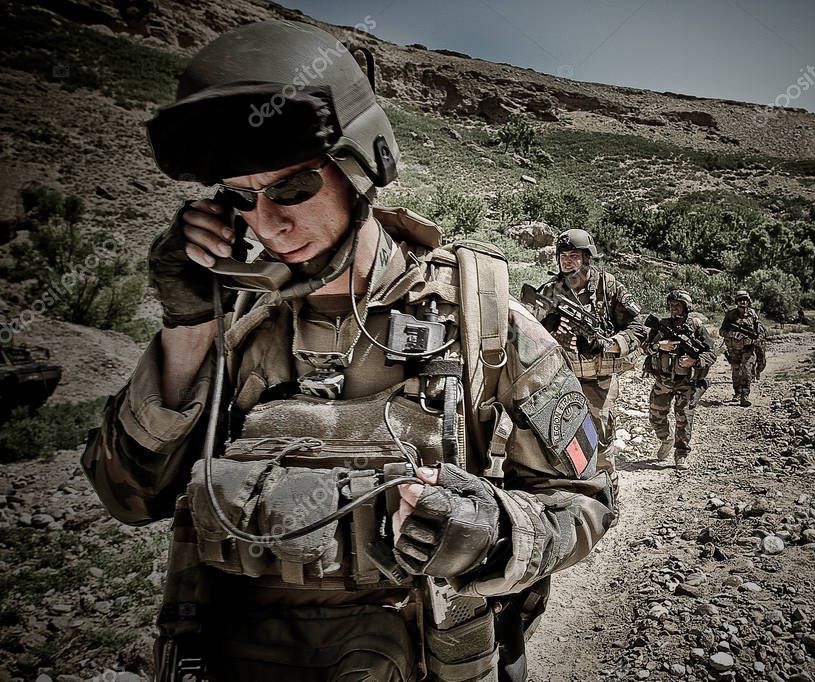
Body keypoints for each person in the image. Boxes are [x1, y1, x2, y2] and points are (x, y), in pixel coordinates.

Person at [80, 21, 614, 682]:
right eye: (240, 197)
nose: (267, 221)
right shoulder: (231, 320)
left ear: (361, 167)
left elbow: (585, 499)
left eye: (292, 188)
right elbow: (128, 497)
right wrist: (187, 325)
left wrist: (497, 529)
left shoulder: (480, 316)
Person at [526, 229, 645, 494]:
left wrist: (609, 344)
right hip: (561, 378)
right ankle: (570, 492)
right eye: (563, 256)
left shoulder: (607, 285)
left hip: (598, 378)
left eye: (574, 256)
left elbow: (639, 325)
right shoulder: (550, 291)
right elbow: (524, 335)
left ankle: (607, 495)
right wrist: (547, 327)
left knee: (599, 440)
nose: (567, 261)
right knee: (557, 437)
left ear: (587, 258)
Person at [642, 290, 717, 466]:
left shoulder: (697, 328)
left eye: (678, 305)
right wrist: (660, 345)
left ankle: (681, 453)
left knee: (683, 417)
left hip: (687, 382)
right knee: (655, 416)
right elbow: (645, 348)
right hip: (664, 379)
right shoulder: (662, 326)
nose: (674, 309)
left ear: (686, 308)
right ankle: (666, 439)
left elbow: (711, 354)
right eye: (671, 305)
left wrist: (694, 361)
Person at [721, 290, 767, 407]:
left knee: (746, 371)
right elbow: (722, 331)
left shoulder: (752, 314)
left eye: (745, 300)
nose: (743, 302)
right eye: (740, 300)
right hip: (734, 349)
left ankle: (745, 396)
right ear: (736, 302)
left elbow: (760, 331)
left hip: (748, 348)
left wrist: (754, 339)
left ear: (748, 301)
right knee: (736, 372)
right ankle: (737, 393)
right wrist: (732, 334)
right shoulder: (730, 315)